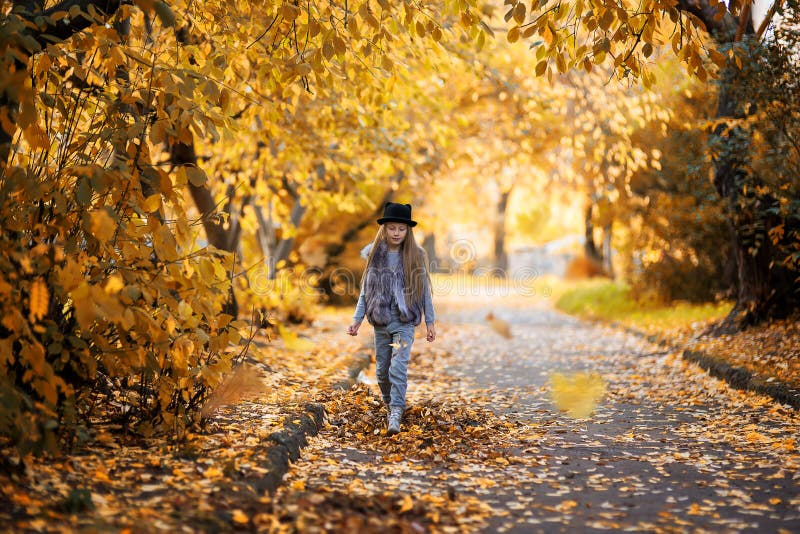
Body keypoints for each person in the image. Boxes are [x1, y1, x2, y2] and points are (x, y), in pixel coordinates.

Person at [347, 202, 436, 436]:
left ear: (408, 231)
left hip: (404, 323)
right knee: (382, 372)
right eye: (392, 228)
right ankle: (389, 403)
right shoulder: (375, 256)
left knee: (398, 367)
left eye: (401, 229)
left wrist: (430, 322)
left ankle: (397, 409)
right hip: (382, 323)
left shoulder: (415, 256)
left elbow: (425, 290)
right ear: (384, 229)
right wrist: (357, 319)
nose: (397, 233)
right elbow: (366, 290)